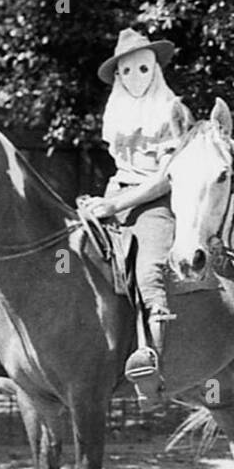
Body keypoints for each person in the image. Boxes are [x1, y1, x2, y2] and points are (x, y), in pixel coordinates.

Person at [82, 28, 191, 388]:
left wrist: (115, 203)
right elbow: (120, 170)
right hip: (118, 194)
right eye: (125, 71)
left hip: (156, 202)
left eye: (143, 69)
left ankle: (154, 361)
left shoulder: (171, 110)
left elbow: (165, 178)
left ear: (156, 69)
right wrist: (102, 202)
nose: (134, 78)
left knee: (148, 272)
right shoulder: (117, 111)